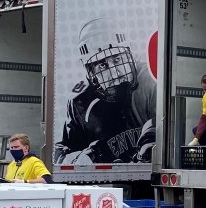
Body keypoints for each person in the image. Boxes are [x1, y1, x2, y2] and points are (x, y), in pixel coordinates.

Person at [55, 18, 156, 165]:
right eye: (102, 65)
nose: (114, 73)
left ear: (129, 55)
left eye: (117, 59)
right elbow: (61, 154)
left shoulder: (149, 80)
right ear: (91, 71)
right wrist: (83, 158)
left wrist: (151, 143)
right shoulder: (82, 102)